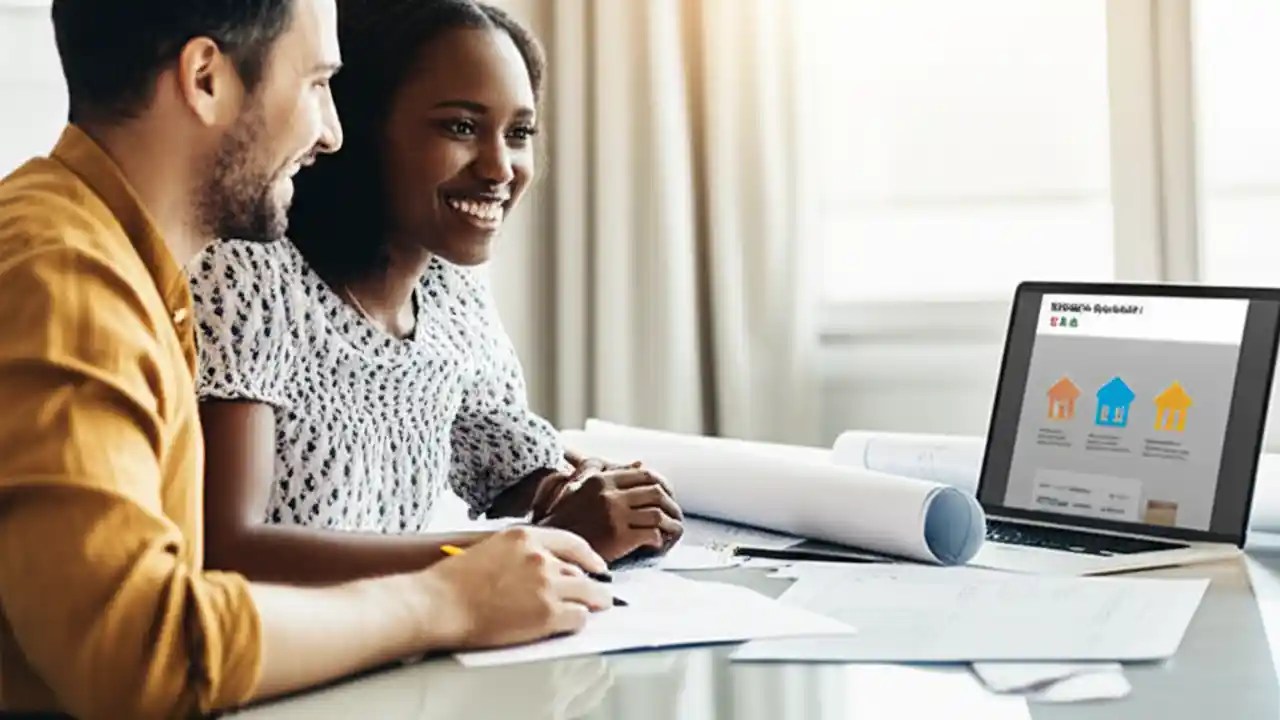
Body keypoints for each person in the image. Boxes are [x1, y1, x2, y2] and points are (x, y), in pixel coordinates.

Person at [0, 2, 613, 717]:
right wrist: (443, 598)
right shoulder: (67, 280)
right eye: (318, 83)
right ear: (206, 79)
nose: (332, 133)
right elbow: (142, 653)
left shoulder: (128, 272)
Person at [189, 0, 685, 585]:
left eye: (519, 132)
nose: (500, 168)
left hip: (405, 650)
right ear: (361, 123)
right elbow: (229, 550)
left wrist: (580, 492)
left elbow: (508, 461)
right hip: (286, 662)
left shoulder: (451, 288)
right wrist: (535, 547)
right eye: (461, 127)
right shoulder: (248, 274)